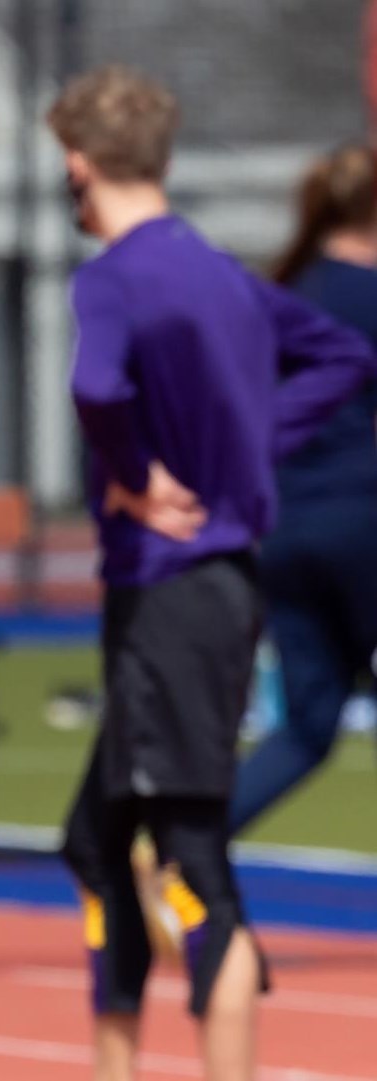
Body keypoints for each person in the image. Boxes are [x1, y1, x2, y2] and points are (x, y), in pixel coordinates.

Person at [47, 67, 376, 1081]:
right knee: (97, 842)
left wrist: (147, 473)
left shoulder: (114, 275)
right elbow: (343, 360)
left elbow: (96, 382)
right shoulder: (224, 272)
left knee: (191, 859)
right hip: (197, 589)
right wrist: (245, 442)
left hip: (177, 588)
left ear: (77, 167)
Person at [230, 144, 377, 831]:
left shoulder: (281, 294)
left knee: (305, 725)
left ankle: (183, 848)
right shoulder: (367, 293)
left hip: (282, 528)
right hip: (359, 523)